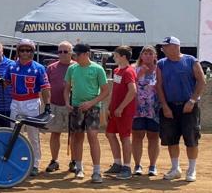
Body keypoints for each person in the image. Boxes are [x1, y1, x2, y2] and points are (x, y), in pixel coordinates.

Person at [156, 36, 205, 182]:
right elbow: (159, 86)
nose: (163, 49)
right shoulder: (161, 64)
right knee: (171, 139)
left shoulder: (191, 60)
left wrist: (192, 100)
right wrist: (164, 106)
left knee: (191, 138)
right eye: (163, 47)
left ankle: (191, 169)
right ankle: (175, 168)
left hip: (189, 106)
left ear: (176, 47)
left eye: (166, 46)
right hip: (170, 106)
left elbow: (201, 81)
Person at [2, 39, 51, 176]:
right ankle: (15, 161)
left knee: (33, 135)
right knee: (14, 134)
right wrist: (1, 81)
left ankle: (35, 164)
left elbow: (46, 88)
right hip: (15, 102)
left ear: (32, 52)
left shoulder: (39, 68)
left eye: (28, 50)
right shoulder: (11, 67)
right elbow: (6, 82)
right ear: (18, 51)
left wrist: (47, 105)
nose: (25, 53)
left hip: (31, 103)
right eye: (22, 50)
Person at [64, 43, 109, 183]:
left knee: (92, 136)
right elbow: (66, 88)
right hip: (77, 107)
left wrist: (91, 103)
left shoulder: (97, 69)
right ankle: (79, 167)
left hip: (93, 107)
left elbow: (105, 91)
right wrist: (67, 103)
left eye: (76, 54)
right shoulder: (72, 69)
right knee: (77, 137)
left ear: (85, 54)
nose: (74, 57)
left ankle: (96, 170)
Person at [104, 46, 138, 180]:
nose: (114, 57)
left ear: (123, 57)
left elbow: (133, 91)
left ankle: (127, 167)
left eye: (116, 55)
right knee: (110, 134)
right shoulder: (117, 70)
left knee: (125, 137)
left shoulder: (129, 71)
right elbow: (116, 90)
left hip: (124, 111)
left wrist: (121, 107)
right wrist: (110, 106)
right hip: (115, 110)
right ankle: (117, 163)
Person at [45, 41, 74, 173]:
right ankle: (54, 160)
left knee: (74, 135)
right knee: (55, 133)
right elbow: (46, 86)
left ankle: (74, 161)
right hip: (55, 104)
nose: (62, 54)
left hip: (72, 106)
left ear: (71, 52)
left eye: (65, 51)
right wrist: (47, 103)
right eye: (60, 51)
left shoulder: (77, 67)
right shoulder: (51, 68)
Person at [132, 45, 161, 176]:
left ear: (155, 56)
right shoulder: (133, 68)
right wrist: (140, 74)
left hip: (154, 110)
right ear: (141, 55)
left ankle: (153, 165)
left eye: (151, 53)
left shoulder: (160, 69)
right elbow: (130, 84)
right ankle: (137, 165)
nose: (148, 56)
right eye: (145, 53)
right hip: (137, 109)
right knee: (137, 136)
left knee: (153, 136)